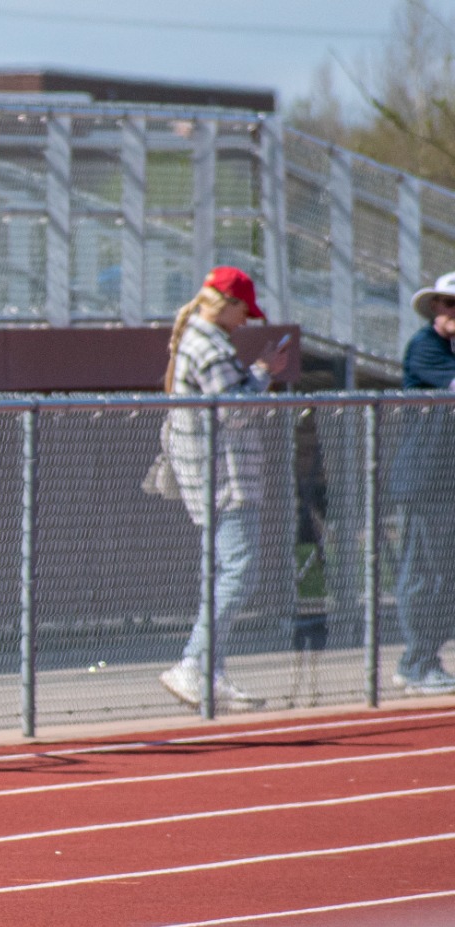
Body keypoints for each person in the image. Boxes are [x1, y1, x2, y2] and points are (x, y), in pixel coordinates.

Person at [156, 265, 290, 712]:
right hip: (224, 477)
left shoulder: (203, 341)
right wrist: (263, 371)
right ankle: (194, 663)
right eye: (244, 311)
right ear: (226, 303)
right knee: (238, 570)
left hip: (216, 475)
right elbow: (233, 411)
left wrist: (257, 372)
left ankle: (209, 671)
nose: (246, 320)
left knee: (223, 572)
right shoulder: (208, 345)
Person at [392, 271, 455, 695]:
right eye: (449, 304)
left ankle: (424, 658)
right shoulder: (425, 346)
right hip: (426, 480)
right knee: (425, 574)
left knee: (445, 575)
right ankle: (417, 662)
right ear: (435, 307)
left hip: (448, 480)